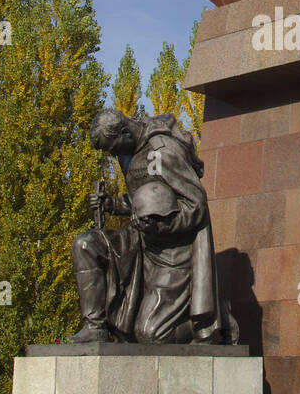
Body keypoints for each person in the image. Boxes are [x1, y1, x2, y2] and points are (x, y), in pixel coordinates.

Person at [69, 109, 227, 345]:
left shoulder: (163, 151)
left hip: (173, 255)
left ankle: (199, 325)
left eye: (112, 147)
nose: (113, 154)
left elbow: (196, 205)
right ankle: (95, 327)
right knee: (86, 244)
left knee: (149, 335)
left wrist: (162, 225)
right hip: (140, 241)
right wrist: (112, 203)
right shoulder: (128, 153)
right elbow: (140, 201)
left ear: (124, 131)